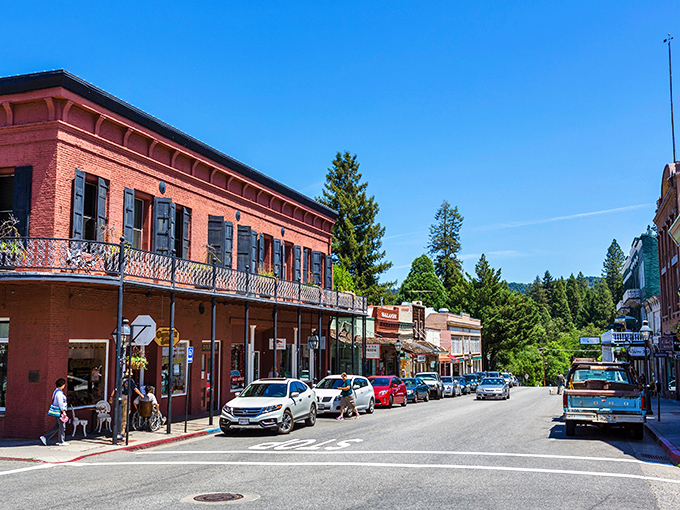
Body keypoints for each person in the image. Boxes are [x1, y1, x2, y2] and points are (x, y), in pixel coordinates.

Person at [110, 370, 144, 438]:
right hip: (126, 398)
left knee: (119, 413)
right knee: (125, 414)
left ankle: (116, 429)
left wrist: (111, 397)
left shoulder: (120, 380)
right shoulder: (130, 381)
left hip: (119, 397)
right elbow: (135, 389)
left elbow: (115, 388)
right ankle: (122, 431)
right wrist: (141, 394)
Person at [40, 378, 68, 446]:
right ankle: (61, 441)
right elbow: (60, 403)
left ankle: (45, 437)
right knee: (62, 426)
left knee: (57, 426)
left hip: (56, 411)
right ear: (62, 385)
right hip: (59, 411)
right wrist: (63, 411)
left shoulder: (55, 392)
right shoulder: (59, 393)